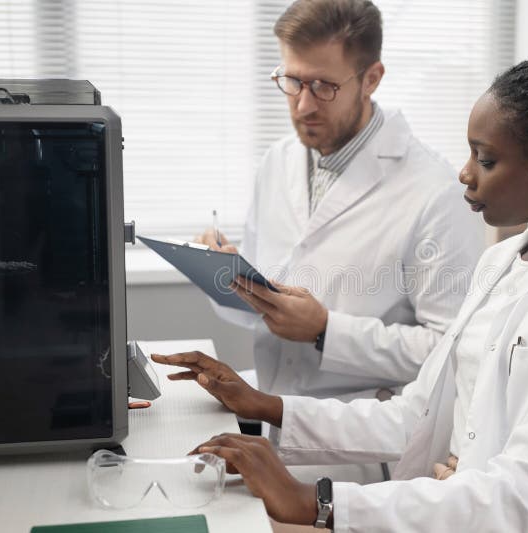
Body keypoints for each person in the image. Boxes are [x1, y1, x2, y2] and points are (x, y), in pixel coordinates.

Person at [156, 54, 528, 531]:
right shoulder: (501, 262)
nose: (464, 174)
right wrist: (262, 405)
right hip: (458, 508)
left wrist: (316, 503)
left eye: (486, 160)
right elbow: (417, 415)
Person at [196, 0, 483, 412]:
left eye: (324, 86)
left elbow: (451, 349)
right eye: (292, 81)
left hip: (366, 448)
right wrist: (231, 277)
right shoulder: (277, 162)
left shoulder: (436, 191)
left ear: (372, 79)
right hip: (274, 413)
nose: (304, 106)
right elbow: (269, 309)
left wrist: (326, 331)